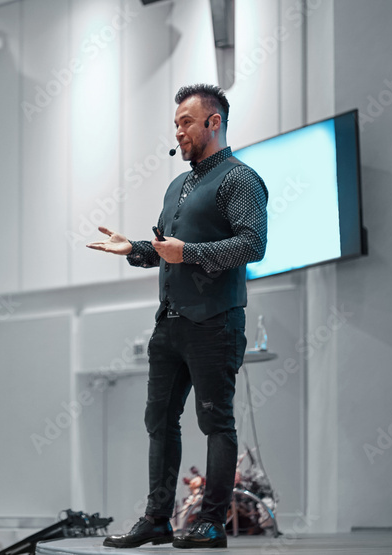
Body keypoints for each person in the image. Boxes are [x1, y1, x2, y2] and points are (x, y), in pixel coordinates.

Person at [88, 84, 267, 550]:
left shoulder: (239, 178)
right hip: (169, 324)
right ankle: (157, 519)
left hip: (215, 322)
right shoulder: (178, 186)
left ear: (214, 122)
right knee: (159, 421)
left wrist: (187, 251)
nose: (179, 130)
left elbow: (252, 245)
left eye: (186, 122)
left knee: (216, 423)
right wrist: (137, 250)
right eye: (176, 124)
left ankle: (210, 523)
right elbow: (171, 252)